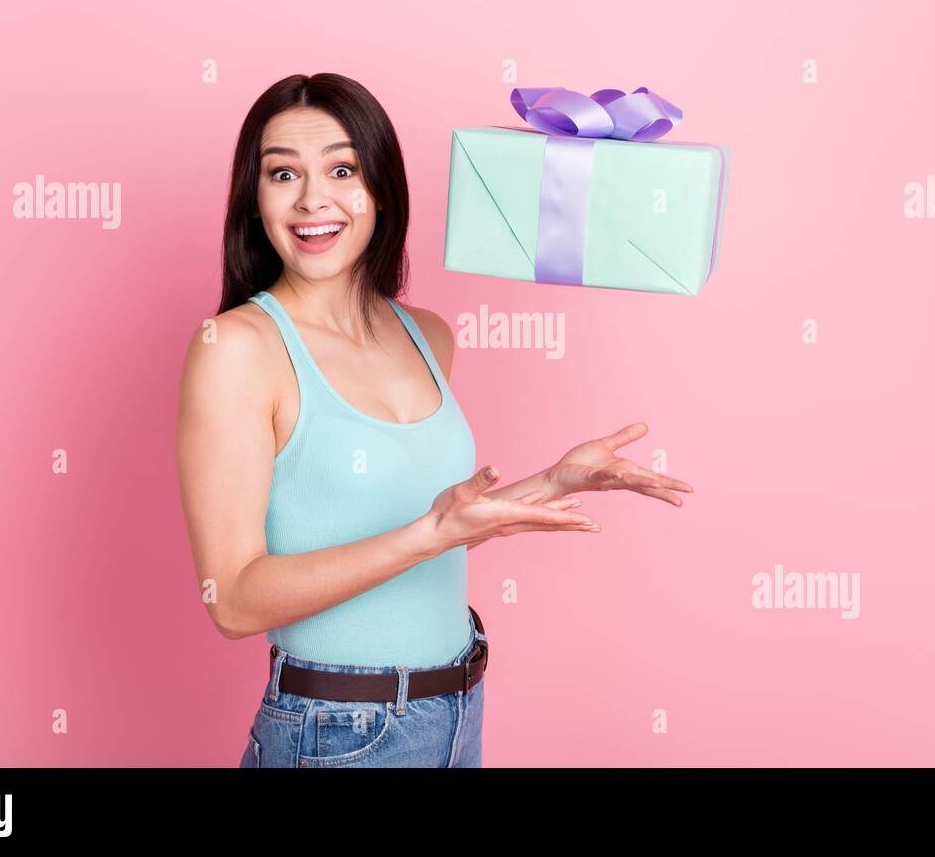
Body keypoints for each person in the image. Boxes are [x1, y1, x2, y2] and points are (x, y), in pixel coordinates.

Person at [175, 72, 693, 767]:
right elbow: (233, 602)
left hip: (455, 711)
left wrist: (556, 480)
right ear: (255, 197)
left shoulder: (427, 335)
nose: (312, 199)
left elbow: (435, 533)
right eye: (281, 174)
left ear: (381, 190)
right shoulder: (237, 350)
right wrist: (430, 534)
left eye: (341, 169)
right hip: (338, 733)